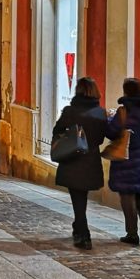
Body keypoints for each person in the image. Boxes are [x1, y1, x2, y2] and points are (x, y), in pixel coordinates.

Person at [51, 77, 107, 250]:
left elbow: (57, 130)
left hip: (72, 159)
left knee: (78, 199)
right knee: (81, 197)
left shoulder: (70, 111)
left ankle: (83, 234)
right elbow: (101, 137)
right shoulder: (100, 113)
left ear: (78, 91)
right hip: (91, 161)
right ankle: (78, 228)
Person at [106, 77, 140, 245]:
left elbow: (111, 132)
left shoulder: (124, 111)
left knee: (127, 195)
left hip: (127, 158)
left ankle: (132, 233)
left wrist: (109, 118)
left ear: (126, 91)